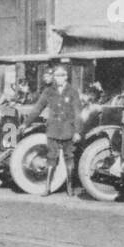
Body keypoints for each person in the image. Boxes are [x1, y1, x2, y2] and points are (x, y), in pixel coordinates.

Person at [28, 64, 82, 197]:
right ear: (54, 77)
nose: (59, 78)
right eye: (57, 75)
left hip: (68, 130)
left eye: (62, 75)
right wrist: (26, 123)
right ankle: (47, 188)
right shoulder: (48, 91)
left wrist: (77, 132)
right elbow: (37, 108)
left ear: (66, 77)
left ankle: (70, 188)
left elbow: (77, 114)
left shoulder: (73, 92)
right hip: (52, 130)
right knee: (51, 158)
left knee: (69, 157)